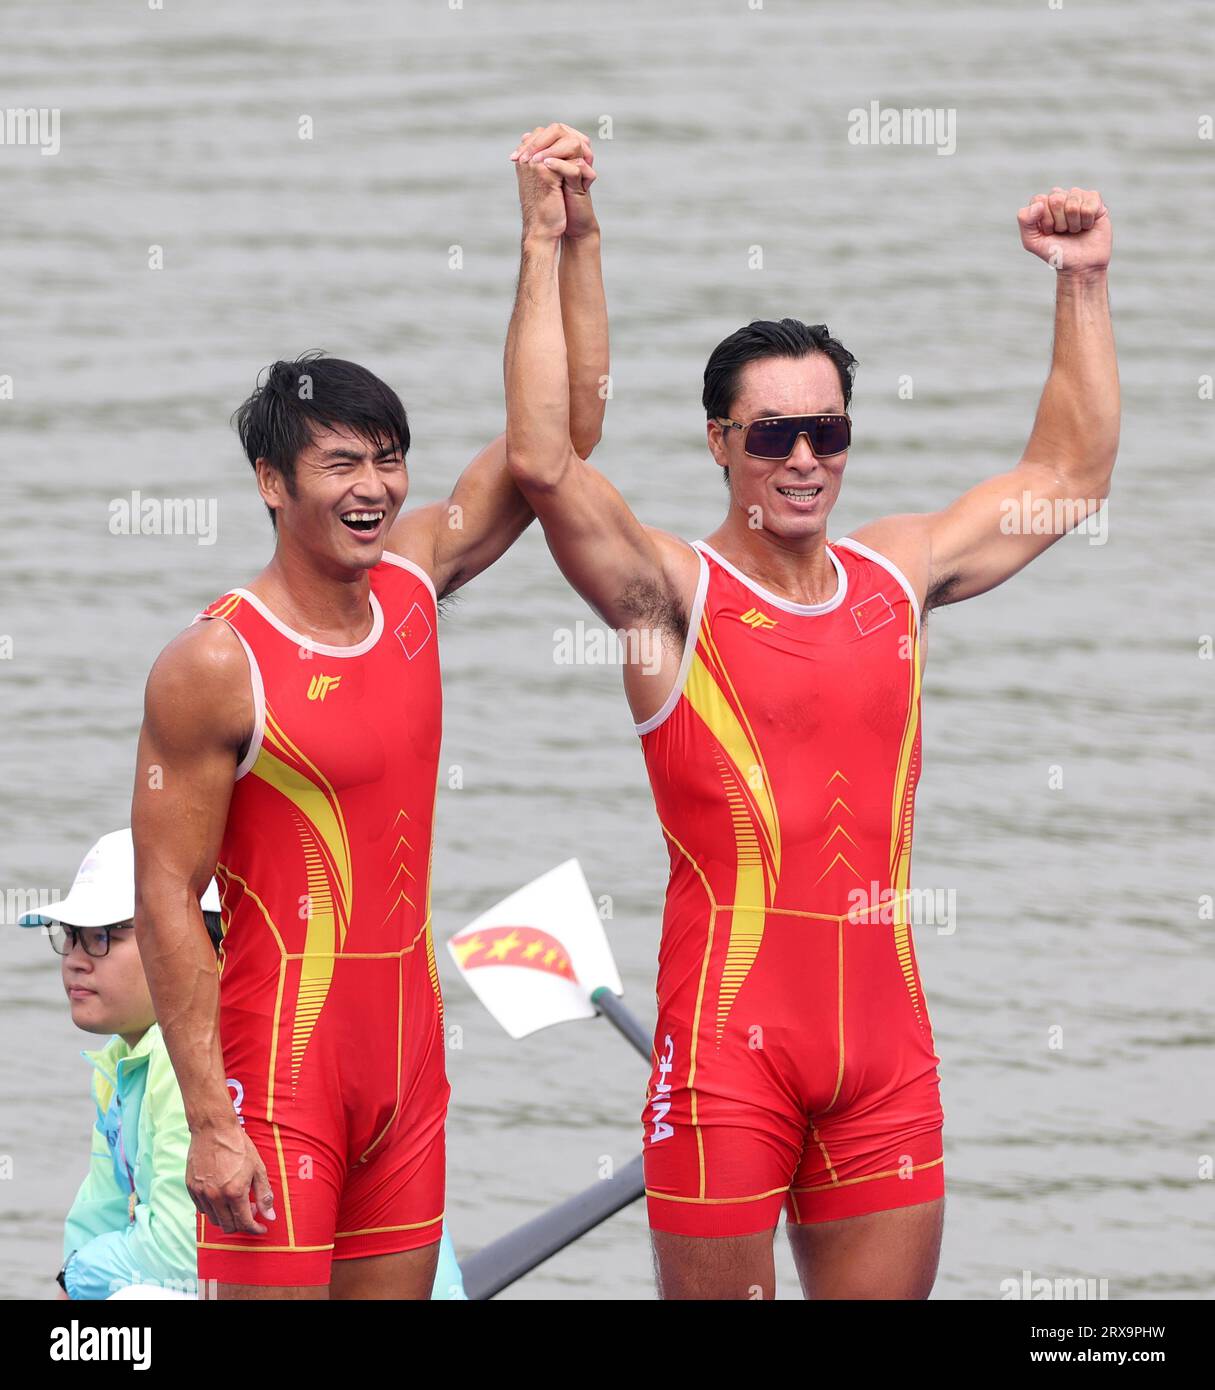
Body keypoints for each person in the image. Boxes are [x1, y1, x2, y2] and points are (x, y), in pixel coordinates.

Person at [503, 154, 1118, 1300]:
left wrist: (1079, 282)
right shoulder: (667, 595)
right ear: (718, 442)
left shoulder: (899, 572)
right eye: (774, 433)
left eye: (827, 434)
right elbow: (544, 460)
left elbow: (1068, 475)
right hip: (727, 1065)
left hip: (888, 1066)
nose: (803, 460)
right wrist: (550, 244)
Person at [130, 123, 607, 1300]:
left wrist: (561, 237)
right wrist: (207, 1119)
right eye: (344, 463)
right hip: (275, 1077)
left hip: (408, 1068)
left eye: (390, 460)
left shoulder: (411, 579)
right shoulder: (214, 664)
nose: (376, 488)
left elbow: (559, 444)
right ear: (272, 484)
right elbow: (163, 898)